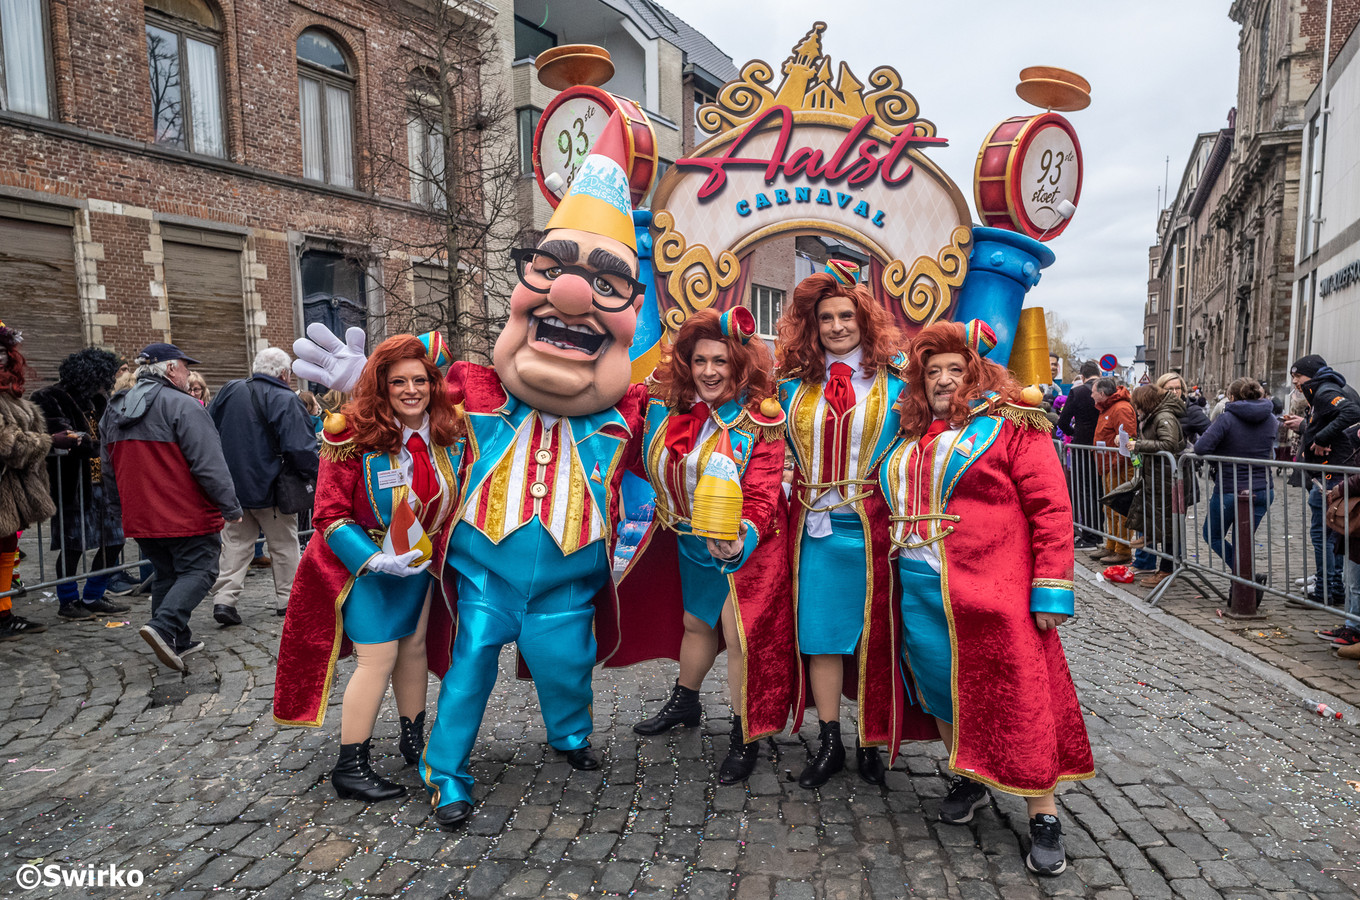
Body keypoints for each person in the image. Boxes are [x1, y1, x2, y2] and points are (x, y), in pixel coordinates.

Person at [292, 113, 657, 831]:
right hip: (486, 570)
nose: (574, 299)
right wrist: (362, 379)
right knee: (469, 672)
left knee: (566, 665)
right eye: (552, 275)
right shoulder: (473, 389)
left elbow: (685, 428)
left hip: (570, 577)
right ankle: (446, 771)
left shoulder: (628, 413)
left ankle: (571, 735)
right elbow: (411, 383)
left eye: (603, 288)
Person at [879, 320, 1092, 877]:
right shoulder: (911, 435)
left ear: (976, 373)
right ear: (919, 382)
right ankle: (968, 774)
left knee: (1015, 696)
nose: (944, 380)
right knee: (938, 685)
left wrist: (1050, 589)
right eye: (933, 372)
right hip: (922, 588)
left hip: (996, 594)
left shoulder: (1014, 427)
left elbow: (1051, 509)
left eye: (955, 369)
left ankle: (1042, 812)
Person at [274, 334, 464, 802]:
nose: (410, 390)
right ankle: (350, 765)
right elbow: (329, 514)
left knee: (414, 647)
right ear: (381, 384)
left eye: (419, 379)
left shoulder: (445, 434)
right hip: (366, 571)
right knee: (375, 660)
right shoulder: (350, 434)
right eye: (397, 381)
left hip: (419, 565)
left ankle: (413, 739)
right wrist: (375, 559)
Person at [610, 307, 795, 784]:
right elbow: (604, 405)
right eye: (700, 361)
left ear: (739, 366)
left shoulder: (761, 423)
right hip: (689, 539)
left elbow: (762, 493)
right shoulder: (659, 408)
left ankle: (743, 731)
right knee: (696, 622)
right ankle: (686, 700)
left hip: (749, 548)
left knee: (738, 637)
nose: (710, 372)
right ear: (686, 364)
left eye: (721, 362)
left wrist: (741, 539)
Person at [775, 263, 907, 789]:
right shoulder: (789, 389)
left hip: (875, 532)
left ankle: (869, 739)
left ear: (864, 320)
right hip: (814, 533)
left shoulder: (897, 383)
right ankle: (829, 738)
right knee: (821, 637)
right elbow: (770, 449)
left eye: (845, 316)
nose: (835, 326)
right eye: (825, 317)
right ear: (812, 324)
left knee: (876, 638)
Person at [101, 343, 243, 671]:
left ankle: (177, 638)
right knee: (201, 569)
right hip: (185, 511)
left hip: (141, 513)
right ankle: (165, 626)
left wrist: (117, 507)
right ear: (168, 370)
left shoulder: (114, 408)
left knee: (167, 571)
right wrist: (230, 506)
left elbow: (108, 466)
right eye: (183, 367)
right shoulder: (184, 405)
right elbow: (209, 464)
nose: (187, 373)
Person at [205, 347, 319, 625]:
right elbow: (299, 448)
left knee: (235, 544)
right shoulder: (285, 399)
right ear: (284, 373)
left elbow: (207, 427)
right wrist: (314, 474)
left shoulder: (230, 390)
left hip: (233, 487)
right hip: (273, 488)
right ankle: (288, 599)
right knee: (283, 545)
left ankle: (224, 600)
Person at [31, 348, 131, 618]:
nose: (106, 383)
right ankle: (67, 601)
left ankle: (94, 595)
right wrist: (94, 443)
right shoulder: (49, 397)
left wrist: (94, 443)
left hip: (103, 483)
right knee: (73, 545)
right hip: (73, 485)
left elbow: (108, 432)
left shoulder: (97, 399)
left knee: (115, 540)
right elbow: (67, 437)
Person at [1281, 354, 1360, 605]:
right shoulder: (1321, 391)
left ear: (1311, 375)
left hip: (1329, 477)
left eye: (1298, 377)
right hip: (1330, 473)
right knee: (1331, 535)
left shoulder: (1325, 390)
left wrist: (1323, 438)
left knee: (1323, 536)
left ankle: (1326, 588)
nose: (1295, 382)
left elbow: (1351, 412)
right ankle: (1332, 586)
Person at [0, 322, 57, 640]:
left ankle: (3, 612)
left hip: (8, 491)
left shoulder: (8, 397)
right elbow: (7, 443)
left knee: (7, 547)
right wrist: (50, 441)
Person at [1194, 377, 1277, 576]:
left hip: (1231, 488)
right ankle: (1244, 583)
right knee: (1244, 540)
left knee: (1213, 535)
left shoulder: (1227, 419)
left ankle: (1245, 577)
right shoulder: (1272, 419)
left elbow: (1201, 447)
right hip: (1263, 487)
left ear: (1231, 397)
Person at [1125, 385, 1186, 587]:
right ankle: (1150, 537)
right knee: (1160, 519)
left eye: (1138, 405)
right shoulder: (1155, 416)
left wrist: (1139, 445)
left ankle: (1167, 570)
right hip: (1159, 477)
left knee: (1169, 526)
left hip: (1168, 479)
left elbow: (1169, 444)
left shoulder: (1163, 416)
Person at [1091, 377, 1136, 565]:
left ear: (1102, 394)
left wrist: (1118, 463)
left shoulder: (1121, 408)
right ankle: (1111, 544)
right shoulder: (1109, 408)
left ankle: (1123, 549)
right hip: (1109, 465)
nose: (1091, 395)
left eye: (1093, 392)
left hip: (1119, 466)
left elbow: (1128, 438)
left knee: (1120, 509)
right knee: (1109, 508)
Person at [1057, 361, 1101, 549]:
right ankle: (1099, 533)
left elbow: (1063, 421)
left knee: (1084, 490)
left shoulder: (1079, 392)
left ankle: (1090, 536)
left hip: (1082, 444)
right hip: (1103, 447)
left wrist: (1074, 432)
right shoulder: (1109, 390)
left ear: (1082, 376)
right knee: (1099, 490)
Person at [1156, 372, 1209, 443]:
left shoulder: (1191, 410)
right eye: (1170, 389)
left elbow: (1213, 435)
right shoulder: (1154, 408)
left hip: (1181, 453)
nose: (1174, 392)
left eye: (1177, 388)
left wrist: (1197, 449)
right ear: (1160, 390)